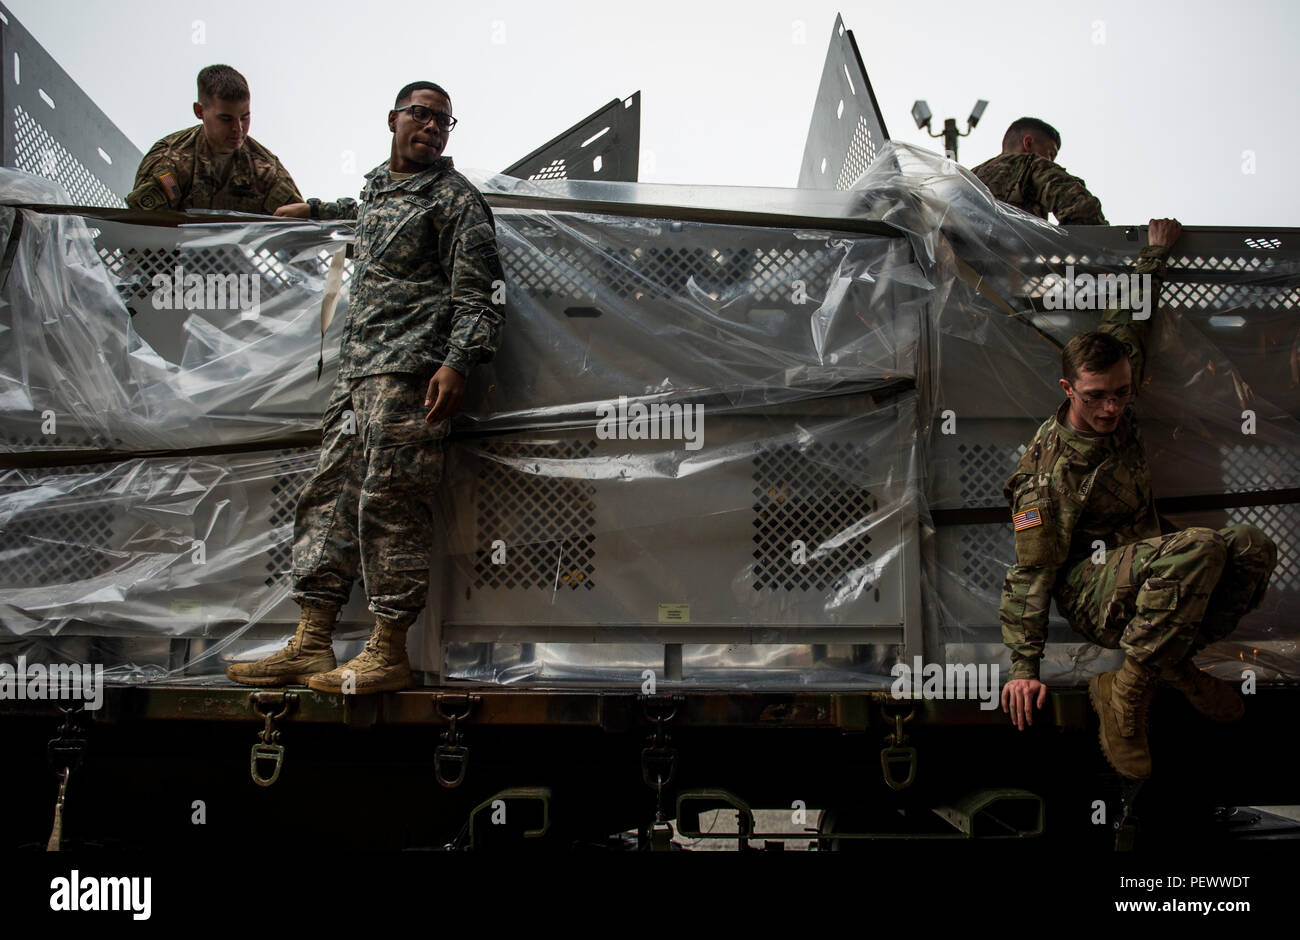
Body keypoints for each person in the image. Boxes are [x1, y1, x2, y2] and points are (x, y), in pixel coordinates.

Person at [227, 81, 505, 694]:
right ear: (394, 119)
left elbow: (481, 296)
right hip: (356, 376)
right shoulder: (380, 188)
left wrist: (458, 363)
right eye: (421, 115)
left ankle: (387, 650)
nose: (432, 127)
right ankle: (311, 641)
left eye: (443, 120)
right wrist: (317, 211)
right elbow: (368, 216)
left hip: (411, 379)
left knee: (392, 505)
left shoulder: (454, 200)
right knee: (327, 502)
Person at [998, 217, 1277, 779]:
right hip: (1091, 593)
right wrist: (1021, 668)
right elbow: (1031, 574)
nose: (1111, 409)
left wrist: (1154, 255)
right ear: (1068, 390)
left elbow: (1128, 317)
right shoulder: (1048, 471)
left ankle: (1170, 666)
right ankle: (1125, 694)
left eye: (1122, 394)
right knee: (1199, 548)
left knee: (1250, 547)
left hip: (1148, 564)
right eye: (1097, 397)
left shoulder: (1118, 380)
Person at [125, 64, 302, 213]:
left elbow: (300, 231)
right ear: (199, 111)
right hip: (173, 253)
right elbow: (139, 235)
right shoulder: (170, 162)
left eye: (244, 117)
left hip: (240, 255)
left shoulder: (265, 169)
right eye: (226, 119)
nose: (238, 129)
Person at [971, 117, 1106, 225]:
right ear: (1028, 143)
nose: (1051, 162)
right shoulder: (1032, 164)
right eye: (1051, 154)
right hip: (1017, 256)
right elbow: (1083, 209)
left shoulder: (972, 176)